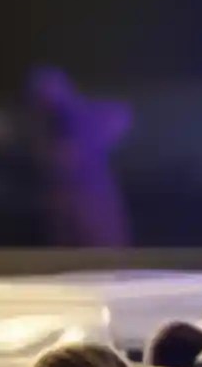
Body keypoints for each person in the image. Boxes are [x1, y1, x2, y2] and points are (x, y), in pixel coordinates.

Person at [25, 67, 132, 247]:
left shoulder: (89, 118)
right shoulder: (40, 130)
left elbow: (122, 115)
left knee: (106, 258)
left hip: (94, 202)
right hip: (63, 204)